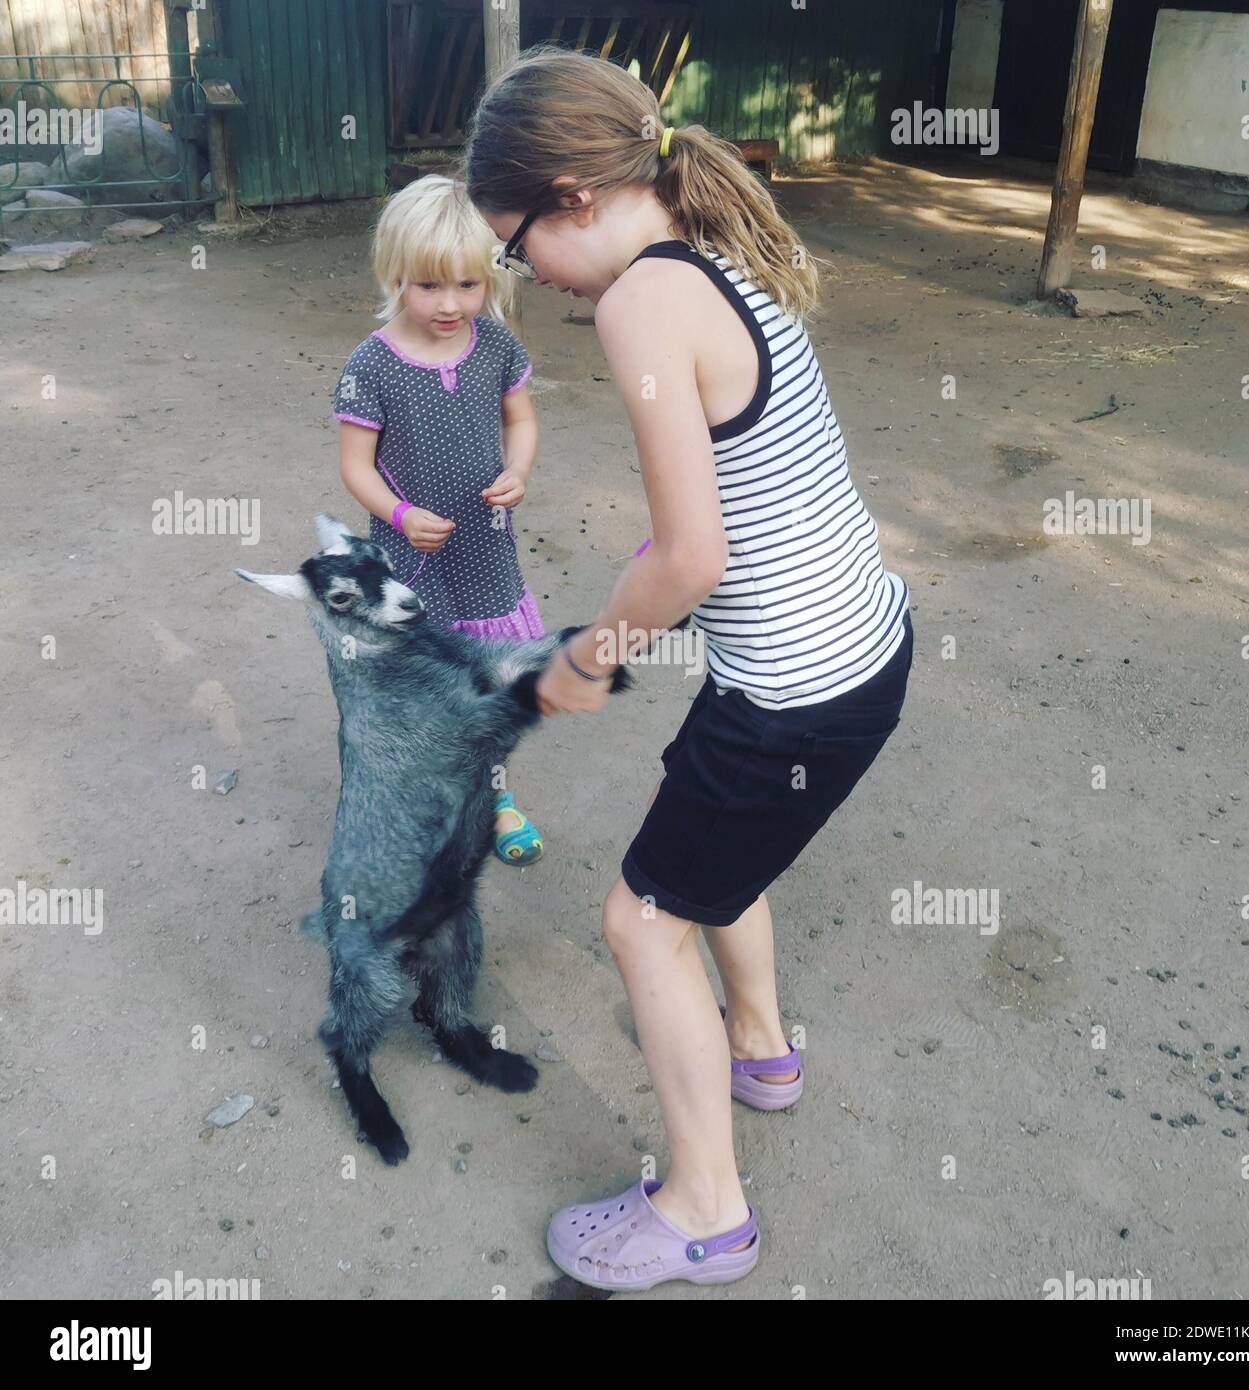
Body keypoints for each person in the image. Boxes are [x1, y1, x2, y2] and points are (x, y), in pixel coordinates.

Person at [467, 47, 913, 1291]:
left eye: (512, 249)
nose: (523, 279)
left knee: (640, 919)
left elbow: (690, 555)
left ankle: (704, 1212)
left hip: (796, 695)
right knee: (711, 852)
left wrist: (587, 660)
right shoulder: (709, 259)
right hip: (852, 648)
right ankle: (759, 1046)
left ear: (567, 195)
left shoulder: (638, 302)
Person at [332, 174, 545, 864]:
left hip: (485, 554)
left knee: (489, 683)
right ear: (394, 275)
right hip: (411, 562)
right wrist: (397, 511)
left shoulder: (496, 345)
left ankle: (496, 798)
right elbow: (356, 468)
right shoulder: (371, 367)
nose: (450, 304)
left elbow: (521, 418)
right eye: (429, 287)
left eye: (467, 285)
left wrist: (517, 471)